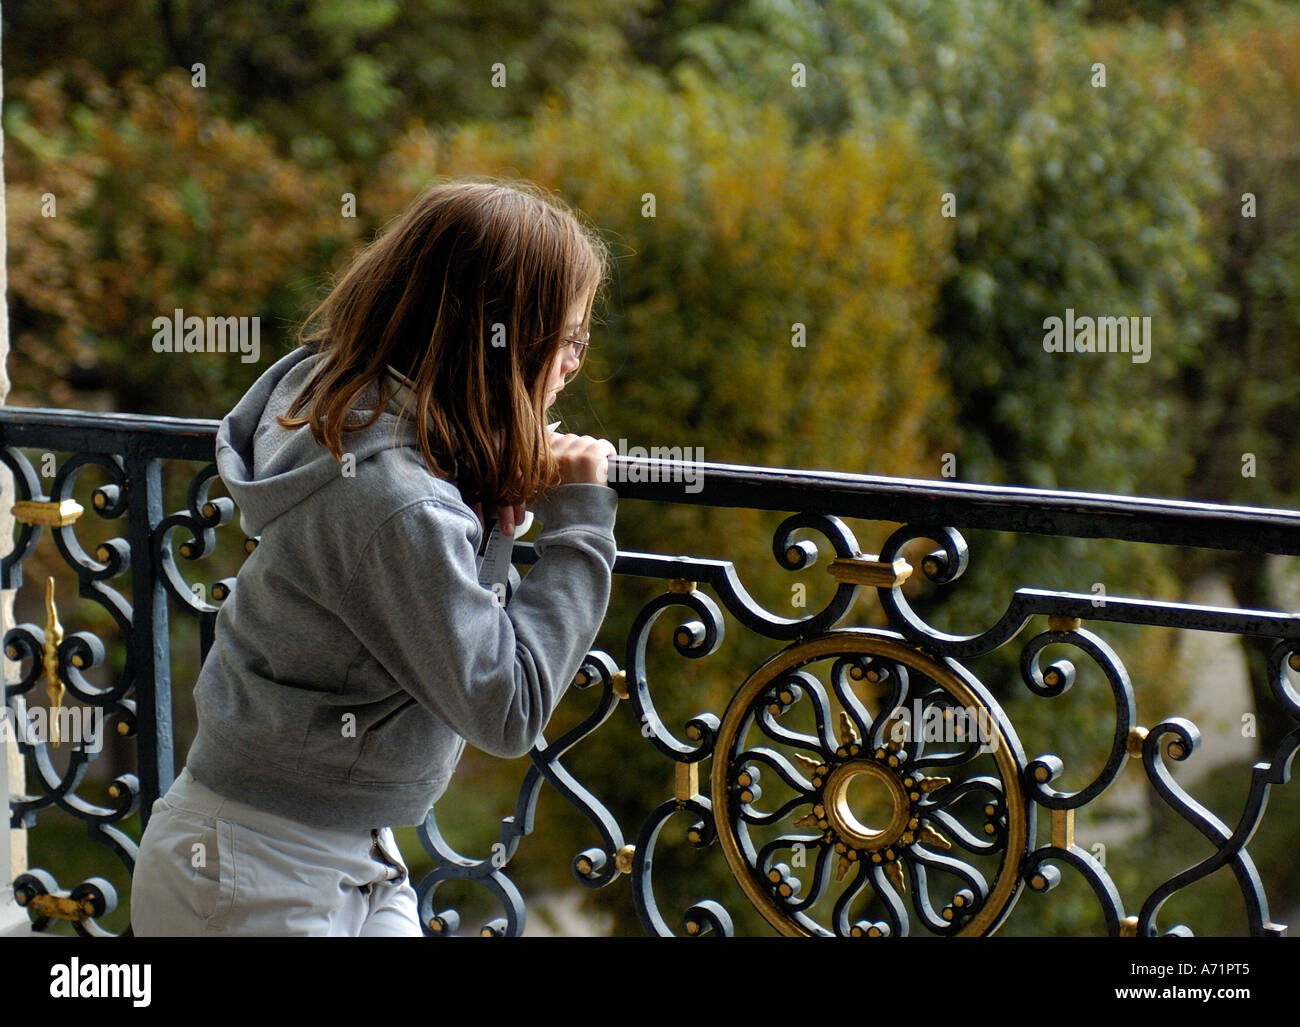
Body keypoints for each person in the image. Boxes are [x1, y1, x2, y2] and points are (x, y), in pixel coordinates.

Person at [130, 178, 619, 936]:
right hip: (258, 872)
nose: (572, 366)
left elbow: (418, 624)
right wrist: (582, 523)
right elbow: (506, 705)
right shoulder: (396, 500)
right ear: (498, 343)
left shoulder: (335, 404)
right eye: (570, 338)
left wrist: (487, 517)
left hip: (326, 847)